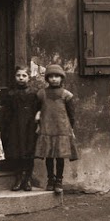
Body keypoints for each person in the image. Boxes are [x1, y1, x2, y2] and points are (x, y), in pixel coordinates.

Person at [34, 64, 78, 195]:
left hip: (62, 130)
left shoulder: (67, 95)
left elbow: (71, 115)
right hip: (47, 129)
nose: (54, 79)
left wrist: (71, 129)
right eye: (51, 76)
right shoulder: (41, 94)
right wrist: (38, 116)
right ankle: (50, 179)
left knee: (60, 157)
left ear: (61, 78)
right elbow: (37, 109)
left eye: (57, 76)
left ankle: (59, 180)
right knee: (48, 156)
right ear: (47, 78)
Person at [0, 67, 41, 191]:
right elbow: (7, 112)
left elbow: (39, 109)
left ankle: (27, 179)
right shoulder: (10, 94)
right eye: (18, 75)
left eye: (24, 75)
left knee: (29, 152)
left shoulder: (34, 93)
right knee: (16, 153)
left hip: (29, 127)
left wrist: (38, 120)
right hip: (15, 127)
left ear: (29, 77)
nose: (21, 78)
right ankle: (18, 178)